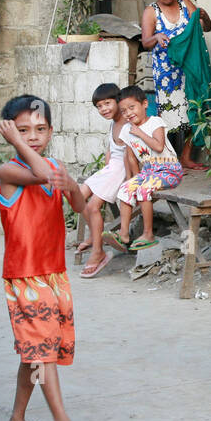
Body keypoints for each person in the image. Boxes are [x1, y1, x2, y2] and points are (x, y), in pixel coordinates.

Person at [0, 95, 96, 421]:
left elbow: (81, 206)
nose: (32, 136)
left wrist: (70, 185)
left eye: (39, 130)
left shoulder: (53, 167)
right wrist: (20, 146)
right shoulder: (9, 172)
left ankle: (17, 419)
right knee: (42, 352)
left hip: (54, 275)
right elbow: (39, 174)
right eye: (23, 131)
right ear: (10, 135)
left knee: (35, 350)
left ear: (51, 132)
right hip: (25, 277)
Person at [140, 0, 211, 171]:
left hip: (189, 69)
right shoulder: (151, 12)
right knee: (171, 117)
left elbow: (204, 28)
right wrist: (156, 37)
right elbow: (145, 42)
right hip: (166, 74)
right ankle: (170, 159)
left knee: (193, 111)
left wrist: (204, 17)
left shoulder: (185, 4)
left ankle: (186, 156)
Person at [112, 84, 183, 252]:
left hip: (169, 170)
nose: (128, 113)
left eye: (132, 107)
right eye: (124, 111)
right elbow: (130, 157)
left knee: (144, 189)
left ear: (144, 104)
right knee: (126, 188)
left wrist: (140, 133)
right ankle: (123, 234)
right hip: (148, 172)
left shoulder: (155, 122)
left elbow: (159, 147)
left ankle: (148, 234)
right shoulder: (126, 130)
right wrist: (135, 180)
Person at [77, 83, 127, 279]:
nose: (104, 109)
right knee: (78, 197)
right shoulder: (113, 122)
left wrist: (130, 179)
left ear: (117, 101)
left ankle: (98, 251)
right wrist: (105, 170)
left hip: (122, 169)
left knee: (93, 207)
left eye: (108, 103)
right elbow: (110, 149)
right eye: (99, 106)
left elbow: (132, 154)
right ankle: (94, 235)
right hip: (112, 167)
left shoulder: (127, 122)